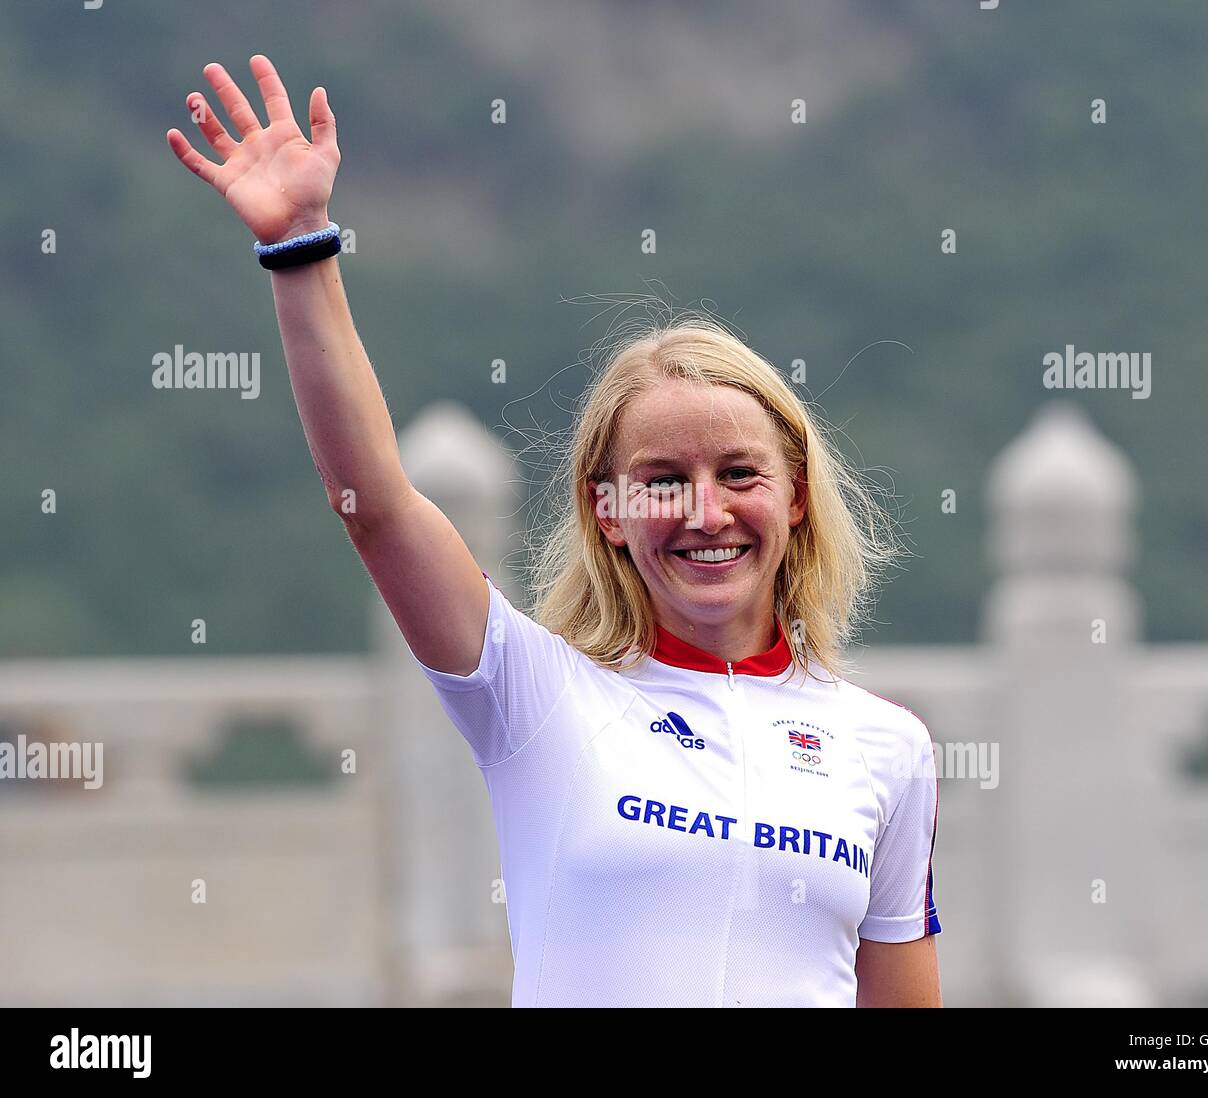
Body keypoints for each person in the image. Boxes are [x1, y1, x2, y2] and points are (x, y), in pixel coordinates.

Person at [167, 54, 942, 1008]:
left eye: (738, 474)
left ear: (795, 499)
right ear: (607, 512)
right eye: (661, 481)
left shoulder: (888, 748)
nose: (704, 512)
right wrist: (300, 247)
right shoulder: (534, 693)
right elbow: (376, 503)